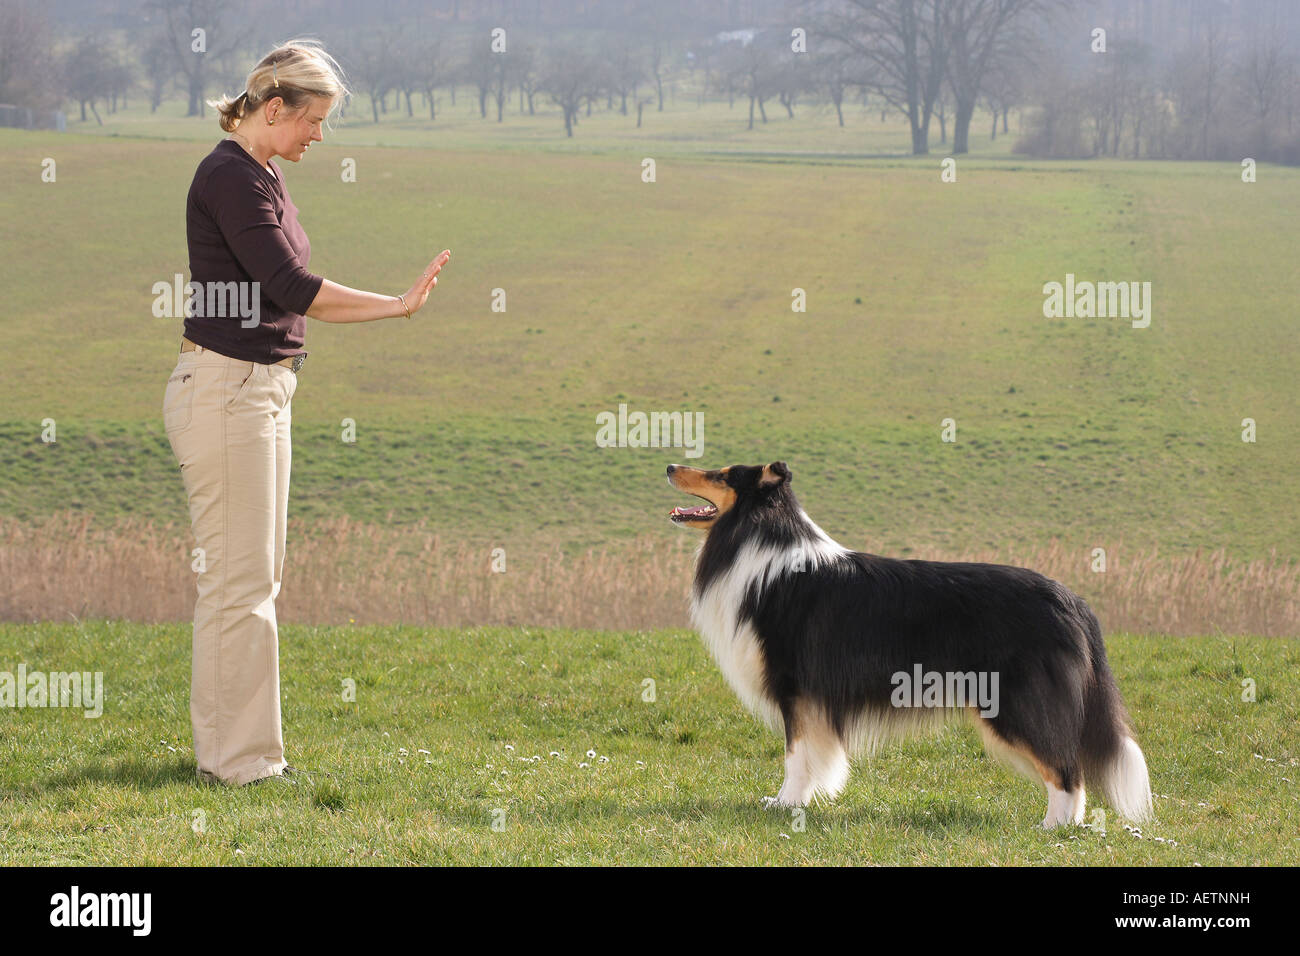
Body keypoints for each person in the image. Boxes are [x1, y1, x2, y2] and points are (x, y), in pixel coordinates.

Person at [162, 38, 450, 785]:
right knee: (240, 582)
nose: (320, 135)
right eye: (314, 120)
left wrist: (393, 307)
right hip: (228, 393)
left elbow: (289, 288)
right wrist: (397, 306)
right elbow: (292, 287)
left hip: (260, 390)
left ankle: (242, 754)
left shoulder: (260, 174)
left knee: (256, 577)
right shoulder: (229, 177)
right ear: (275, 106)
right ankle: (237, 763)